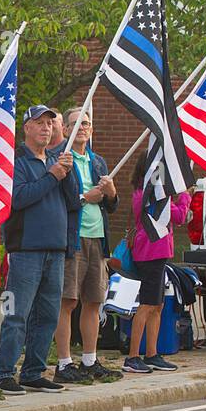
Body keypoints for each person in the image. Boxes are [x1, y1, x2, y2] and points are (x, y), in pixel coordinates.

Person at [0, 105, 76, 395]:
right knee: (16, 313)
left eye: (50, 124)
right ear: (26, 127)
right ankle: (3, 372)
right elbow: (18, 198)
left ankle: (34, 371)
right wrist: (52, 176)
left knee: (48, 315)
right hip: (25, 250)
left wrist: (68, 172)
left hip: (55, 250)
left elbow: (73, 202)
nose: (46, 128)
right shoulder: (17, 163)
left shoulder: (55, 160)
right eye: (39, 123)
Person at [52, 106, 120, 385]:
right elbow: (58, 200)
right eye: (77, 123)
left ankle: (90, 360)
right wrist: (85, 197)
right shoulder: (60, 159)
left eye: (87, 124)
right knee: (68, 300)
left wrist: (111, 193)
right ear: (66, 130)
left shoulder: (98, 162)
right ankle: (64, 362)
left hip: (98, 238)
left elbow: (110, 206)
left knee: (94, 300)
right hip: (72, 236)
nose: (83, 128)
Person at [122, 153, 191, 373]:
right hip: (151, 254)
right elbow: (179, 216)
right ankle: (133, 356)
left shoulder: (147, 194)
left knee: (157, 305)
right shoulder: (152, 197)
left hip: (157, 253)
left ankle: (152, 353)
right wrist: (185, 196)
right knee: (147, 304)